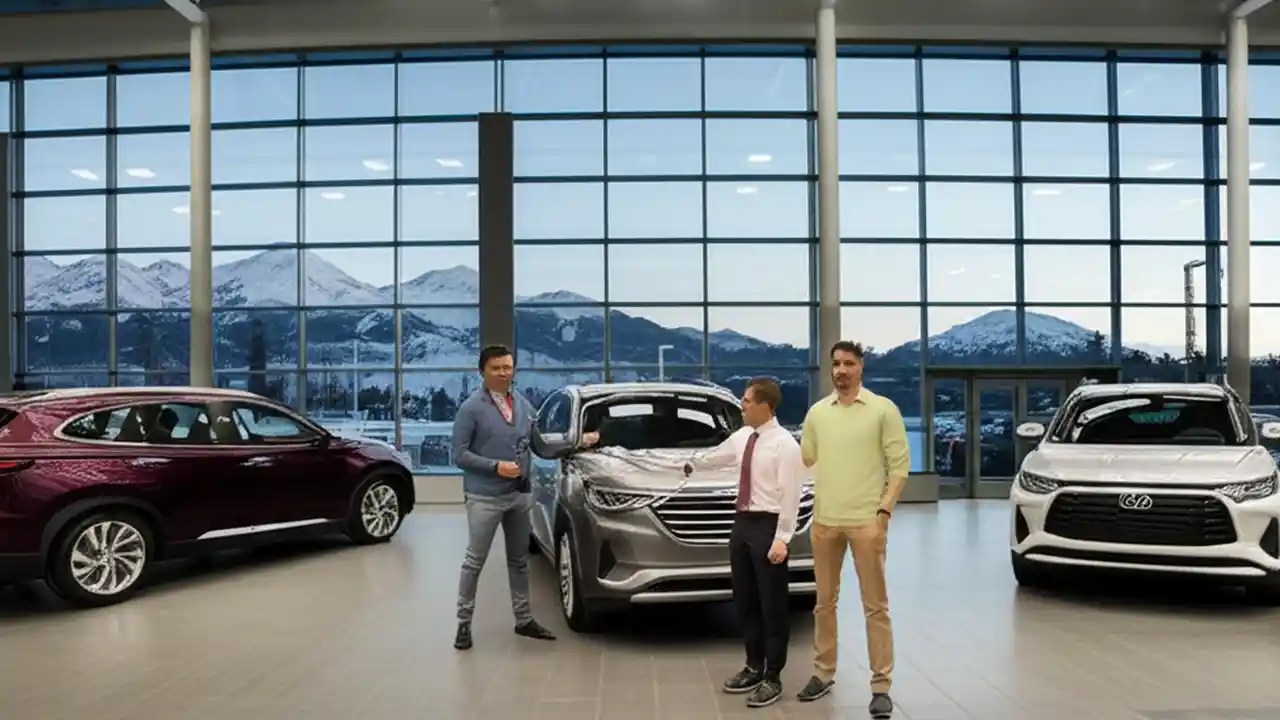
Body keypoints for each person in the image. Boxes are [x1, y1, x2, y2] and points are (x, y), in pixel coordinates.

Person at [451, 344, 598, 650]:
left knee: (519, 562)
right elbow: (459, 455)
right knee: (474, 561)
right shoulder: (470, 408)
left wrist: (577, 441)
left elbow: (539, 443)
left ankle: (523, 620)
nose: (504, 373)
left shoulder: (522, 404)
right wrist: (495, 467)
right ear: (482, 371)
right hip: (484, 497)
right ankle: (463, 624)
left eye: (508, 367)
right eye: (497, 368)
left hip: (519, 496)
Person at [794, 341, 910, 719]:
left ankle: (881, 685)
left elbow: (900, 467)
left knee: (875, 607)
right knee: (824, 603)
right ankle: (823, 672)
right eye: (836, 364)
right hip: (825, 522)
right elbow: (806, 460)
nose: (841, 370)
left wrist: (883, 514)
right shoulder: (816, 414)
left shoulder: (882, 410)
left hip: (866, 523)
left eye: (848, 363)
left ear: (861, 368)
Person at [682, 377, 806, 709]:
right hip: (742, 524)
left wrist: (782, 538)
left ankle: (773, 676)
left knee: (772, 605)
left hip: (768, 525)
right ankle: (753, 665)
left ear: (766, 406)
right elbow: (715, 457)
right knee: (746, 600)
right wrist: (690, 464)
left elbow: (792, 496)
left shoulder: (785, 445)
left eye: (747, 400)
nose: (742, 405)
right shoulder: (742, 438)